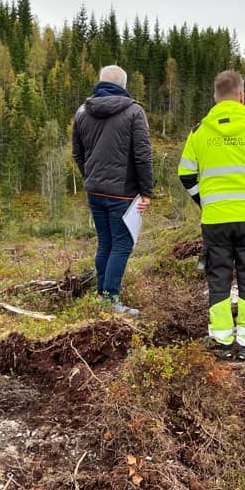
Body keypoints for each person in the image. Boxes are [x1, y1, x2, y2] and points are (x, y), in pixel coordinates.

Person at [178, 70, 245, 360]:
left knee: (219, 277)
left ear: (215, 96)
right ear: (241, 95)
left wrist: (206, 201)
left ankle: (222, 340)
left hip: (215, 219)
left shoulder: (199, 131)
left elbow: (185, 174)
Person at [72, 65, 153, 316]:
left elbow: (78, 153)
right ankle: (110, 299)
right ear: (124, 84)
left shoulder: (82, 112)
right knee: (122, 244)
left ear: (100, 82)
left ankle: (102, 295)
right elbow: (142, 155)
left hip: (96, 190)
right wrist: (147, 191)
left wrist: (91, 176)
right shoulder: (134, 111)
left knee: (105, 242)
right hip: (123, 192)